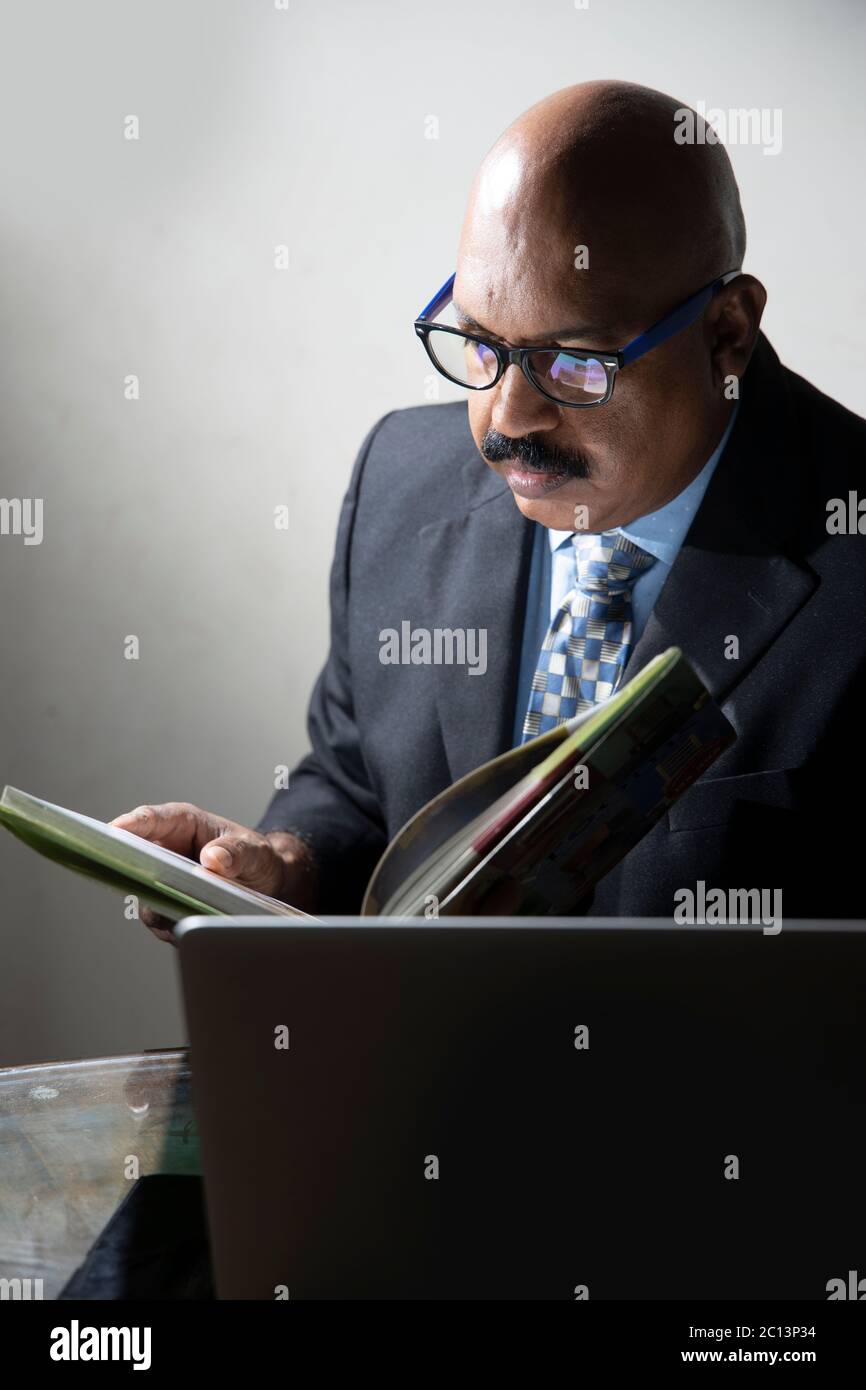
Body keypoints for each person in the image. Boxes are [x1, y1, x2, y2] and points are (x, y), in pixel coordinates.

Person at [113, 80, 866, 932]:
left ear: (728, 330)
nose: (504, 418)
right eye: (478, 343)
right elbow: (365, 784)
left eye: (575, 362)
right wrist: (291, 865)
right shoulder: (400, 483)